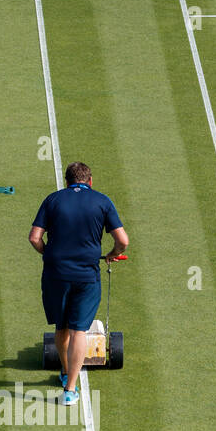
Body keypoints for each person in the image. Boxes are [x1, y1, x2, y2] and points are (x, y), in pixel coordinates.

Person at [28, 162, 129, 406]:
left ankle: (65, 372)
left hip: (55, 274)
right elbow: (123, 241)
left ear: (66, 181)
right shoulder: (102, 201)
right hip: (86, 276)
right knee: (78, 330)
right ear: (90, 181)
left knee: (62, 328)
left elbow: (34, 237)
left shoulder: (52, 199)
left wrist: (49, 254)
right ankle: (71, 389)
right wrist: (112, 254)